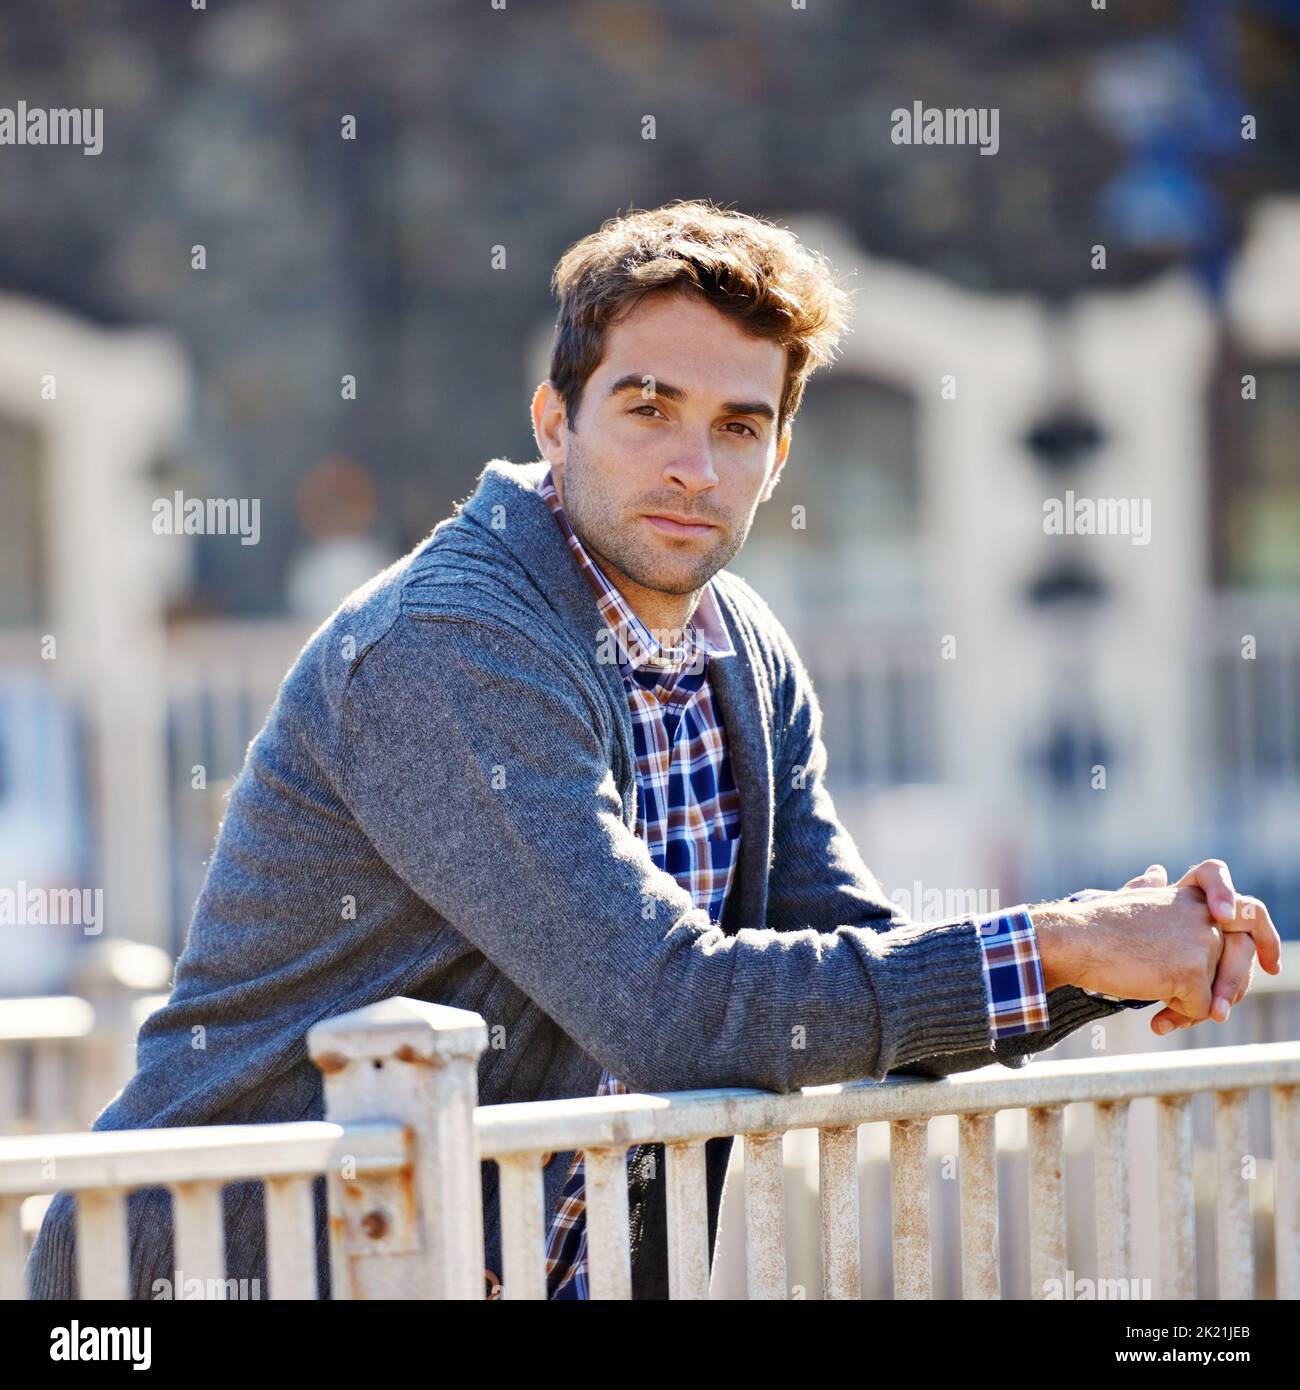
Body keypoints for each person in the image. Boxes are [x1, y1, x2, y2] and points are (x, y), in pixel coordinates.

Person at [27, 199, 1281, 1302]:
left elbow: (847, 976)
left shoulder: (743, 649)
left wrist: (1111, 946)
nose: (692, 465)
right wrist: (1062, 944)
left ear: (777, 456)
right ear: (554, 420)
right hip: (232, 1269)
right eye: (647, 408)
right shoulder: (451, 646)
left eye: (739, 427)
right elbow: (671, 1004)